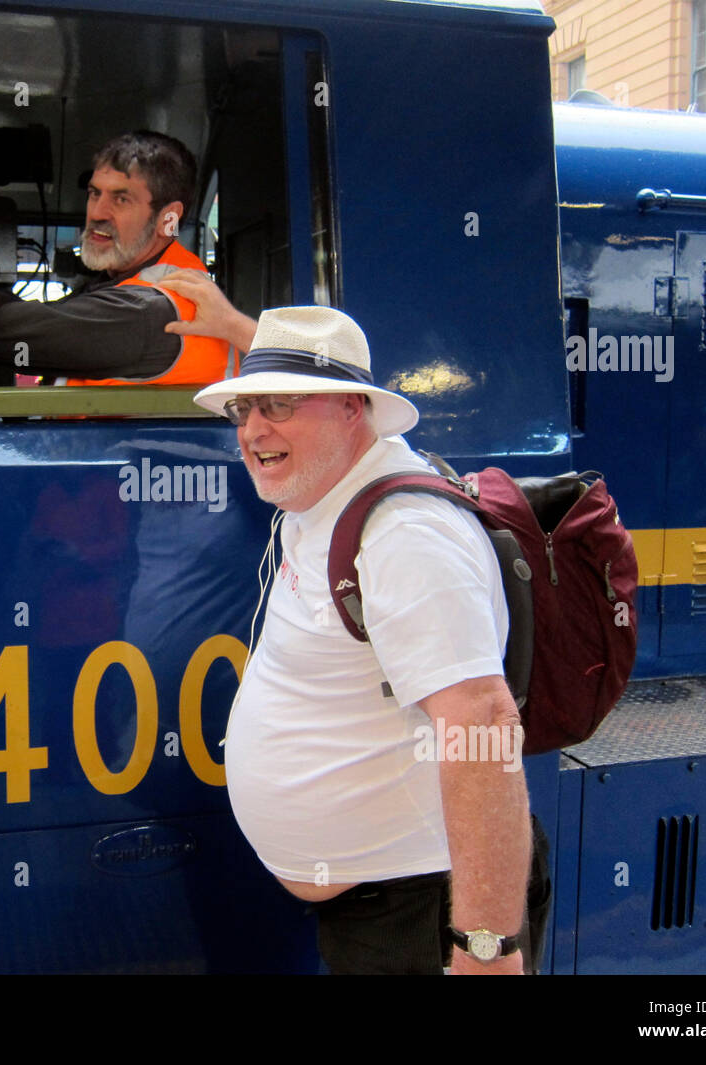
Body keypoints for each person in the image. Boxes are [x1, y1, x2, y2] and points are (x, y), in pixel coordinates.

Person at [193, 306, 538, 975]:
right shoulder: (323, 492)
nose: (253, 429)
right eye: (244, 408)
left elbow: (484, 722)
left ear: (353, 408)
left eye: (280, 404)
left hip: (422, 914)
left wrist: (485, 947)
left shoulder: (404, 532)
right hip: (380, 908)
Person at [0, 130, 230, 386]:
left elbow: (20, 335)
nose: (97, 213)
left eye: (121, 199)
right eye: (95, 194)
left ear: (168, 218)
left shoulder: (154, 307)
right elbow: (50, 318)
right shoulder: (122, 284)